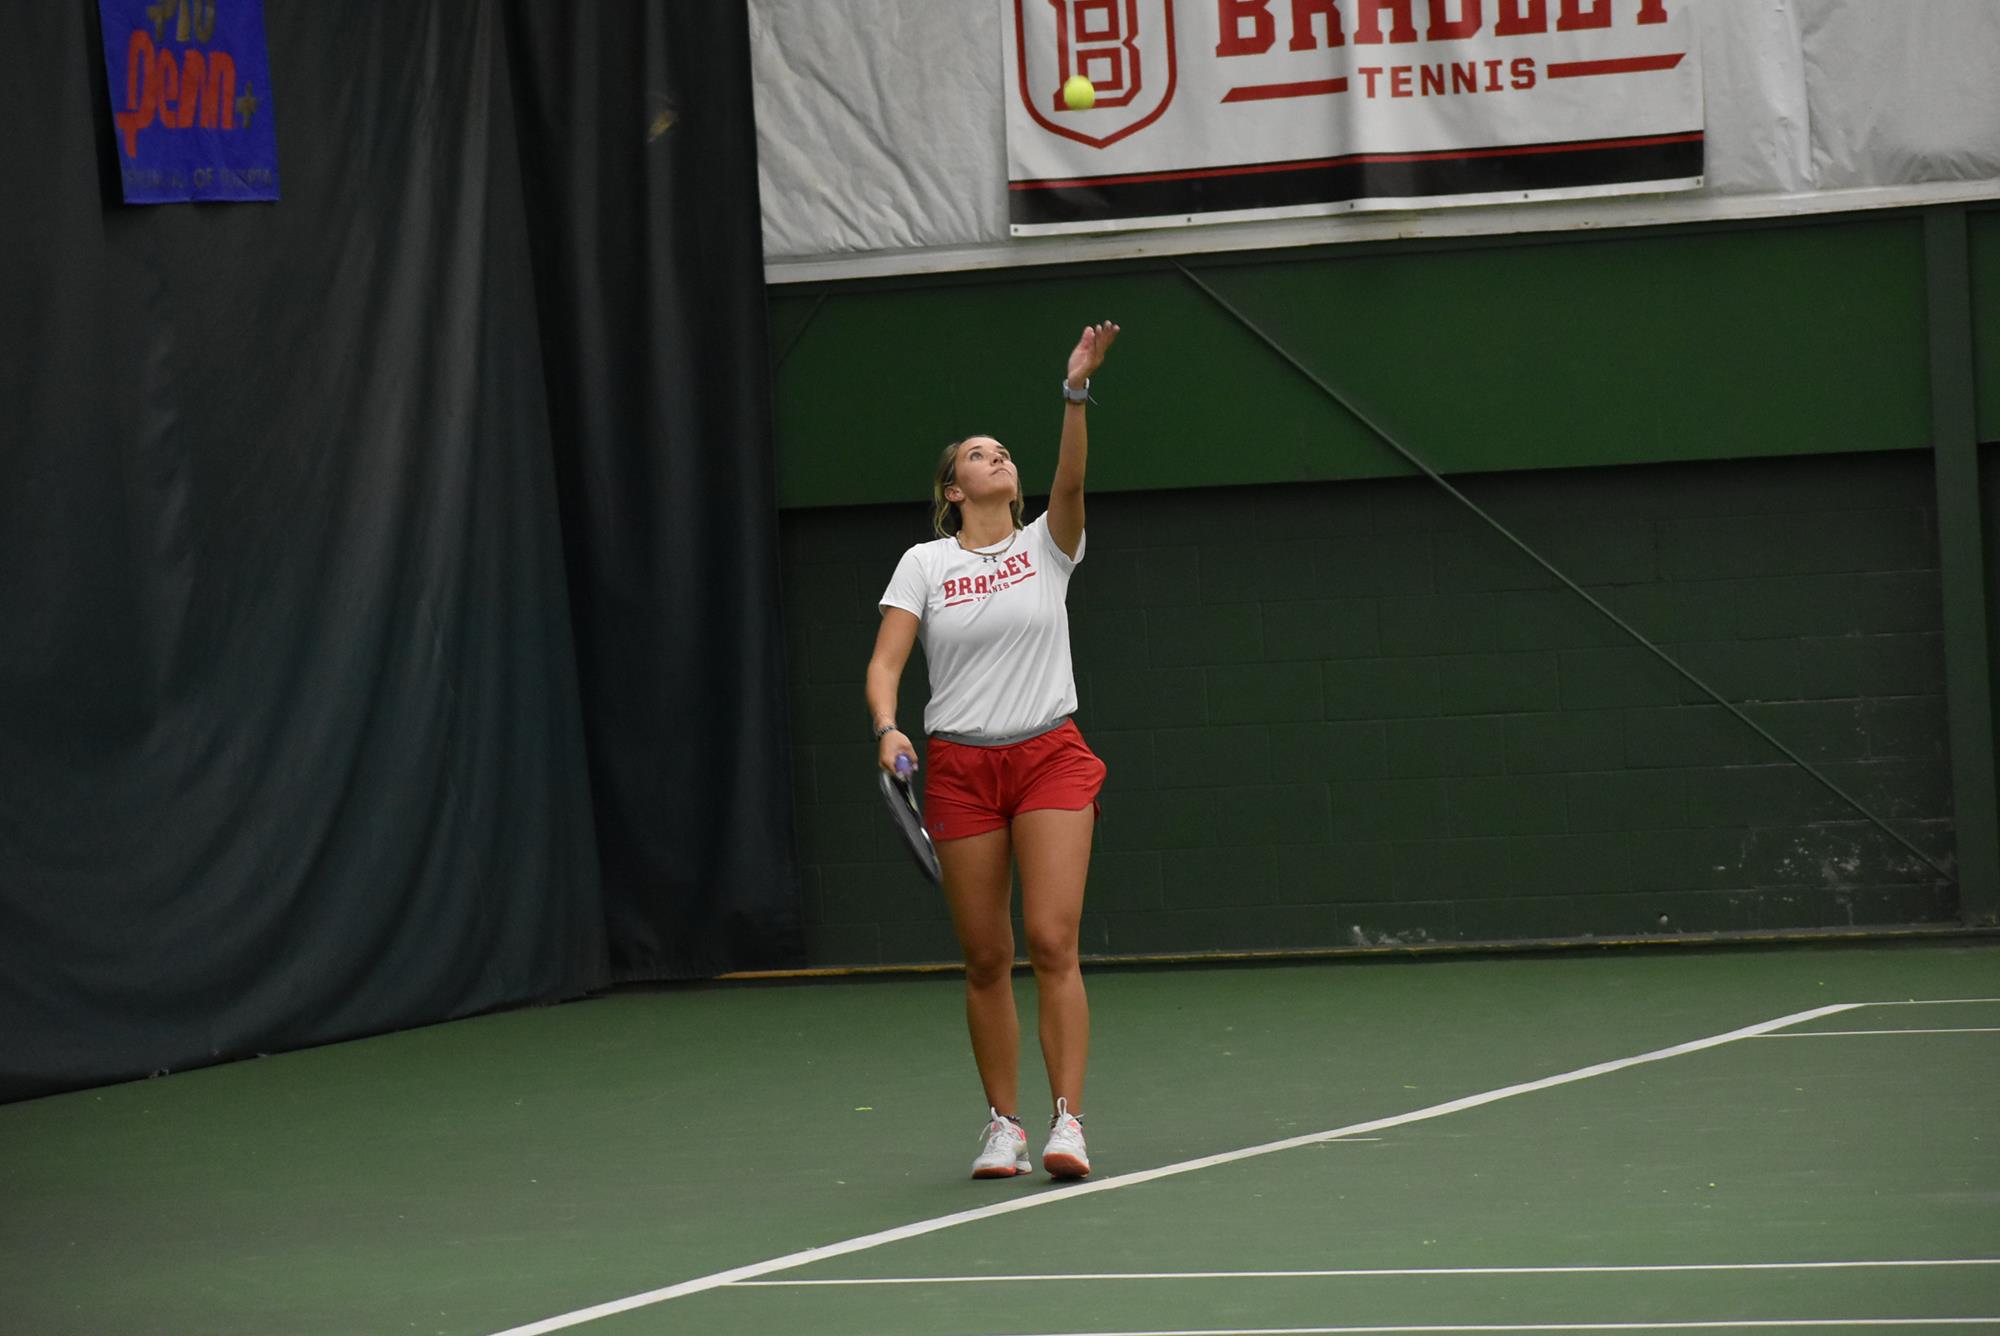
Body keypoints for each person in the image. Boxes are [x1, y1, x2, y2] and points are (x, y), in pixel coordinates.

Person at [865, 321, 1120, 1180]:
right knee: (984, 957)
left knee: (1052, 938)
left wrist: (1075, 392)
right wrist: (888, 726)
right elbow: (886, 664)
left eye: (1004, 450)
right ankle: (1003, 1124)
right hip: (963, 772)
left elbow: (1073, 477)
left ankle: (1067, 1123)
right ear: (952, 487)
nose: (997, 457)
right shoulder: (924, 565)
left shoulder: (1049, 543)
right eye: (979, 453)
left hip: (1050, 756)